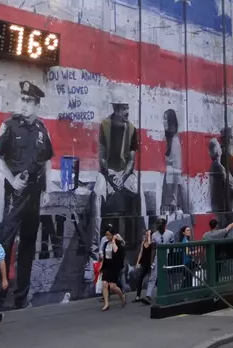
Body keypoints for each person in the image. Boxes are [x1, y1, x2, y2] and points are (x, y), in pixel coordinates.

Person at [0, 80, 53, 309]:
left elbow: (47, 159)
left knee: (28, 243)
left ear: (37, 105)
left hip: (34, 194)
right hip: (14, 193)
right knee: (5, 242)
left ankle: (21, 297)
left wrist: (47, 188)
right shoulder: (10, 125)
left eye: (29, 101)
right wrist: (11, 179)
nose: (25, 104)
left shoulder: (42, 130)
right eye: (23, 100)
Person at [92, 98, 141, 257]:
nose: (127, 112)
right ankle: (94, 252)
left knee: (142, 198)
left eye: (127, 108)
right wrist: (112, 177)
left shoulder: (132, 128)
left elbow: (132, 160)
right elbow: (102, 158)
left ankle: (144, 246)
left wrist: (124, 176)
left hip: (125, 174)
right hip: (108, 173)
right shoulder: (104, 126)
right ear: (116, 109)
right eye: (123, 108)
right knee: (96, 196)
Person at [161, 109, 187, 215]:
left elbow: (177, 170)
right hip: (169, 183)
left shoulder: (175, 141)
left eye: (165, 119)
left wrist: (174, 198)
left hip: (173, 186)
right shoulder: (169, 139)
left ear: (171, 122)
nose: (163, 122)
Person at [144, 218, 175, 303]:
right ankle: (148, 295)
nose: (159, 227)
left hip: (167, 255)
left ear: (165, 225)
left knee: (167, 276)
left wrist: (172, 258)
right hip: (157, 256)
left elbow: (173, 245)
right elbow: (153, 248)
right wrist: (152, 260)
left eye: (161, 226)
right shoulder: (154, 235)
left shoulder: (170, 233)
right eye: (158, 226)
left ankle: (170, 293)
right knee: (153, 276)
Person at [99, 226, 126, 311]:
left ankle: (122, 296)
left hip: (114, 266)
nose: (108, 237)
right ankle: (106, 303)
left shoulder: (117, 243)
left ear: (113, 235)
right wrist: (101, 266)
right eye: (106, 235)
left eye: (110, 235)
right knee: (104, 284)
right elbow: (104, 256)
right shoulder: (106, 244)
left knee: (113, 286)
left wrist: (114, 240)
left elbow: (116, 251)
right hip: (106, 266)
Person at [133, 230, 154, 303]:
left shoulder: (152, 243)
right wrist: (137, 262)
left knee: (153, 279)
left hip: (151, 264)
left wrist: (149, 234)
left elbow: (149, 243)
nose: (146, 236)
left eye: (147, 234)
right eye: (145, 234)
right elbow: (141, 253)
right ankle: (138, 296)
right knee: (139, 278)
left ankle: (150, 295)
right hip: (144, 264)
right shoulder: (143, 243)